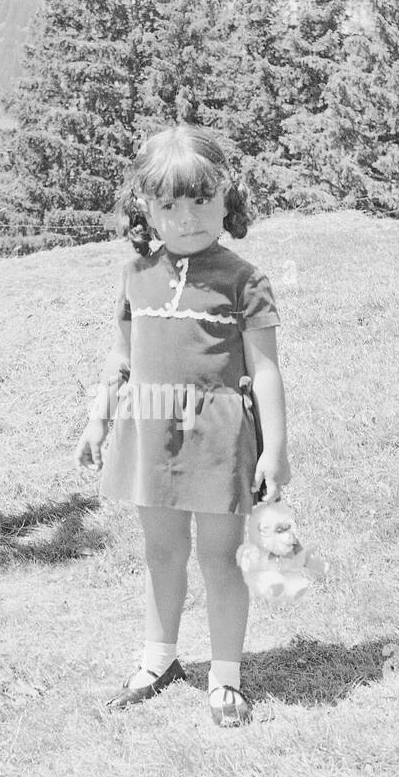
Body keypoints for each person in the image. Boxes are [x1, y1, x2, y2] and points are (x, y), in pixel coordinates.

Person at [74, 125, 290, 727]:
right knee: (161, 550)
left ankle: (226, 678)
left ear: (228, 198)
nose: (186, 217)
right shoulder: (135, 275)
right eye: (168, 204)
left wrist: (276, 450)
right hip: (150, 432)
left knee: (219, 559)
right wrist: (99, 419)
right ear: (144, 206)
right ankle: (159, 659)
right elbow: (120, 357)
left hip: (218, 438)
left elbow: (266, 372)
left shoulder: (244, 281)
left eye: (200, 200)